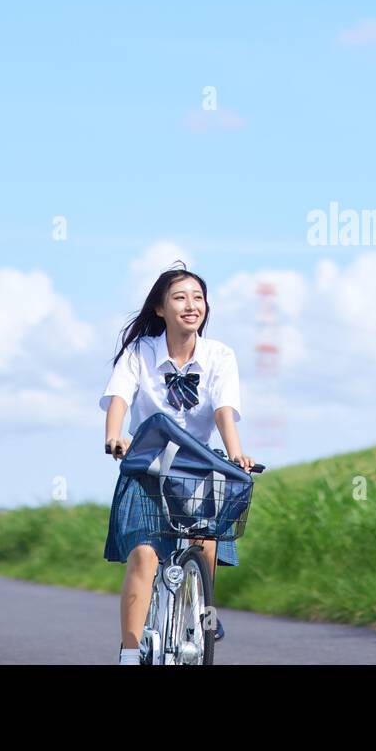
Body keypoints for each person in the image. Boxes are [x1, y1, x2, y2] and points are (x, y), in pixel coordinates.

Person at [99, 262, 255, 664]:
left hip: (198, 466)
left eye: (198, 297)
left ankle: (203, 610)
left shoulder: (220, 355)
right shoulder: (140, 352)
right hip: (148, 465)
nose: (191, 305)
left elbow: (224, 408)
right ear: (160, 309)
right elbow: (119, 396)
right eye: (180, 297)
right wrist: (114, 436)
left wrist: (236, 453)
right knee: (145, 556)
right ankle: (130, 653)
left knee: (205, 545)